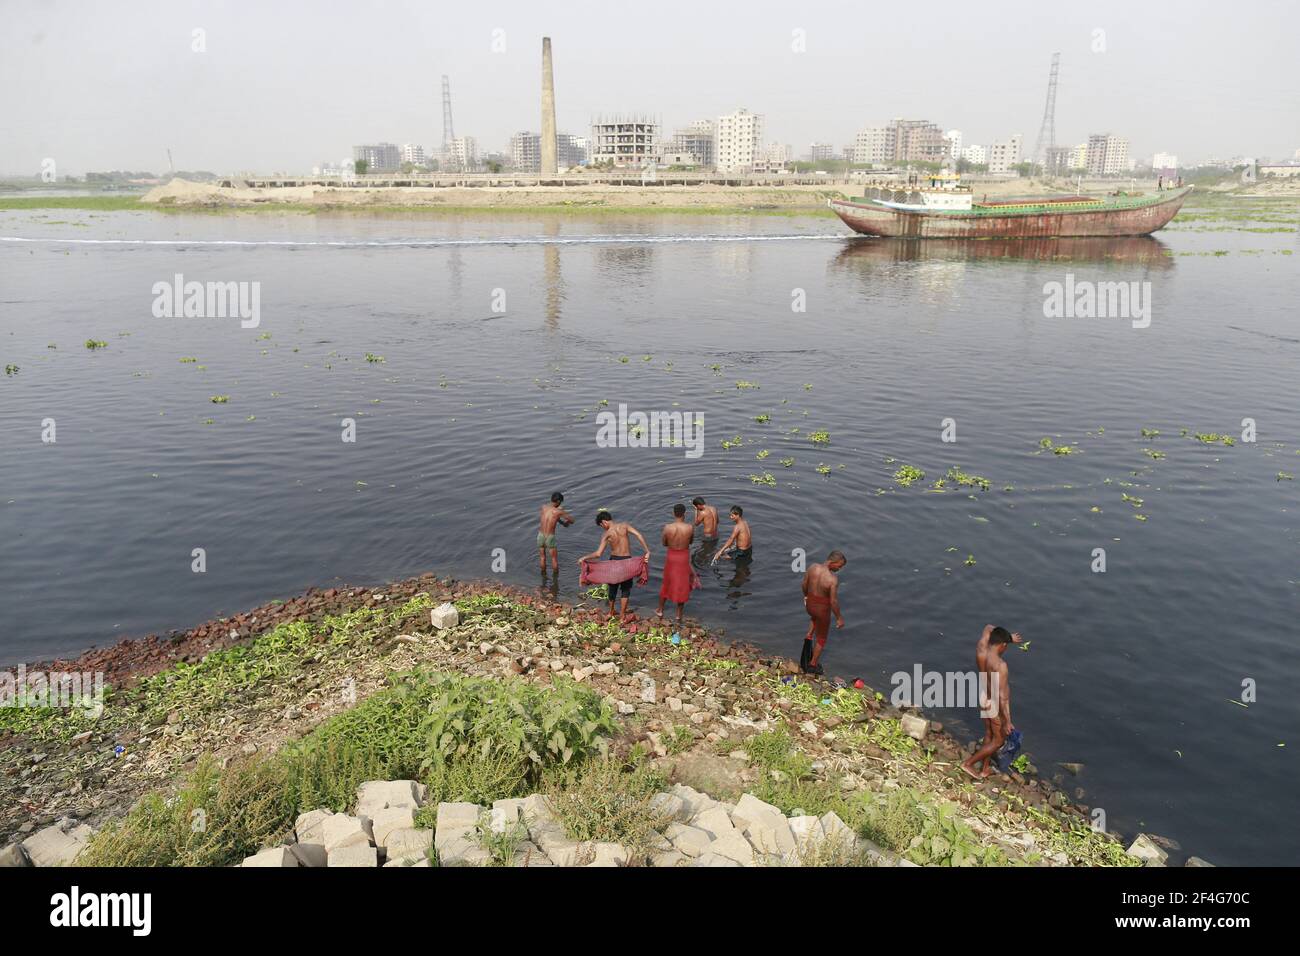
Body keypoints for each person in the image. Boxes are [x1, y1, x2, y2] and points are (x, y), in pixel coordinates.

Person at [961, 625, 1022, 779]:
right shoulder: (1000, 665)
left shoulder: (981, 649)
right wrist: (1007, 721)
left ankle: (985, 769)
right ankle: (968, 764)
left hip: (984, 697)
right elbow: (1002, 697)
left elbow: (989, 627)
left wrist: (1007, 637)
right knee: (999, 740)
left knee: (989, 733)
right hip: (994, 704)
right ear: (1003, 645)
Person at [578, 511, 651, 622]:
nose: (603, 528)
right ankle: (622, 616)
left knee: (612, 588)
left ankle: (611, 612)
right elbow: (639, 535)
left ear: (604, 522)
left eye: (602, 526)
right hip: (627, 563)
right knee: (625, 590)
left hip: (614, 563)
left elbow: (598, 554)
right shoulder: (625, 526)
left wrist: (584, 558)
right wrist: (647, 551)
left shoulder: (607, 534)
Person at [799, 551, 845, 675]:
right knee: (821, 638)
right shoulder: (832, 579)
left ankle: (808, 638)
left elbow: (804, 584)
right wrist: (839, 618)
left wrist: (806, 596)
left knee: (814, 619)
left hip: (810, 605)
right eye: (839, 566)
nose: (839, 569)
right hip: (822, 609)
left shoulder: (812, 567)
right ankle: (812, 665)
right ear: (832, 562)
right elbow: (833, 601)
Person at [657, 503, 700, 623]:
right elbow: (690, 542)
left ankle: (660, 609)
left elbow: (664, 543)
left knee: (666, 583)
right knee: (682, 585)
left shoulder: (667, 528)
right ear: (685, 514)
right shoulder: (690, 528)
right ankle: (678, 614)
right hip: (683, 557)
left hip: (671, 556)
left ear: (673, 513)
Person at [537, 492, 574, 572]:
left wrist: (561, 522)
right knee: (554, 559)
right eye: (560, 502)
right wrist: (566, 523)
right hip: (549, 537)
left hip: (540, 535)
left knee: (542, 557)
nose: (560, 504)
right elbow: (572, 520)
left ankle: (543, 576)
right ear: (558, 501)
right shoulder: (558, 511)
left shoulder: (543, 507)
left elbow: (550, 517)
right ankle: (555, 581)